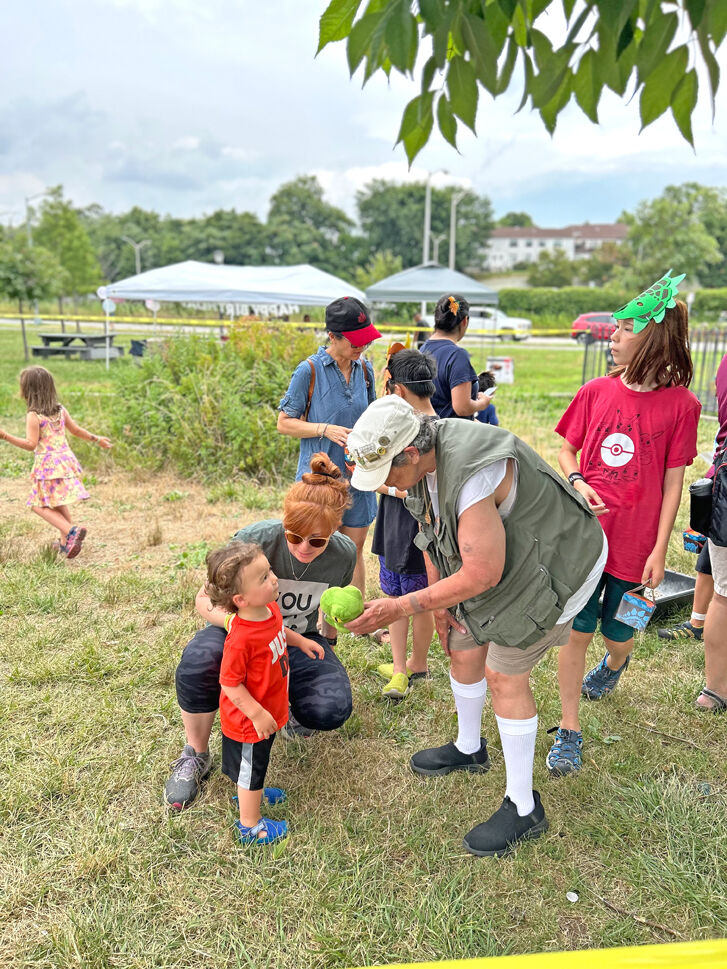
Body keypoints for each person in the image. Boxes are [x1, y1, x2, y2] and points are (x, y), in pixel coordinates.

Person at [345, 395, 606, 858]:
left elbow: (484, 573)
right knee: (461, 644)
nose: (383, 484)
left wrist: (404, 605)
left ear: (409, 453)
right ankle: (470, 748)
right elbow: (427, 528)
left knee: (504, 674)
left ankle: (525, 807)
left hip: (557, 560)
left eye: (386, 472)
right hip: (497, 556)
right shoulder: (423, 461)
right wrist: (440, 601)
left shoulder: (471, 471)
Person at [547, 271, 701, 775]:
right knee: (575, 632)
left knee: (623, 631)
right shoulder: (594, 391)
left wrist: (660, 552)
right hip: (584, 542)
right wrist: (576, 481)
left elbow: (674, 484)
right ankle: (569, 730)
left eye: (620, 331)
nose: (610, 338)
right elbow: (566, 447)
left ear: (651, 336)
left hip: (638, 549)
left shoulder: (683, 406)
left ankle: (617, 662)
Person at [164, 453, 356, 810]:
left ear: (335, 530)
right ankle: (196, 753)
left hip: (295, 639)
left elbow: (331, 604)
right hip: (238, 633)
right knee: (199, 660)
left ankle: (287, 708)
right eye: (294, 536)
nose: (302, 548)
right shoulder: (257, 541)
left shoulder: (345, 555)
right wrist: (235, 624)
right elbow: (204, 599)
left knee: (332, 707)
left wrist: (329, 642)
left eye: (317, 541)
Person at [277, 296, 381, 597]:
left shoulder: (365, 370)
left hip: (358, 478)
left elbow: (371, 415)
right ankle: (313, 618)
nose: (361, 347)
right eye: (354, 341)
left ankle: (353, 619)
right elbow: (284, 423)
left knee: (353, 549)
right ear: (332, 336)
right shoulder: (308, 371)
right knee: (315, 547)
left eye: (365, 341)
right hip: (320, 480)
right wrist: (324, 429)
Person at [207, 541, 291, 845]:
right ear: (240, 599)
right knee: (251, 768)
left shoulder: (268, 608)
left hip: (267, 708)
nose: (274, 579)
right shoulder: (240, 638)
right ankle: (249, 824)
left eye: (269, 571)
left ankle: (250, 796)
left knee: (257, 764)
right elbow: (229, 683)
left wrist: (301, 642)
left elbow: (278, 631)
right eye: (264, 578)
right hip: (248, 722)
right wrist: (256, 713)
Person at [370, 347, 436, 699]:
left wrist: (394, 489)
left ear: (396, 390)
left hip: (408, 523)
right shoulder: (442, 425)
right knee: (410, 595)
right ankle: (409, 665)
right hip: (411, 524)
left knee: (405, 595)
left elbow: (377, 477)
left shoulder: (403, 429)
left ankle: (408, 666)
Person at [0, 366, 112, 558]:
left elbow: (30, 444)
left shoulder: (34, 416)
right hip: (64, 462)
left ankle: (71, 531)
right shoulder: (60, 410)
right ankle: (64, 543)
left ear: (27, 390)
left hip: (47, 467)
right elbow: (76, 430)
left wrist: (5, 435)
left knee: (37, 505)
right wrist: (96, 439)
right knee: (58, 503)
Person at [420, 294, 493, 420]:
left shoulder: (422, 350)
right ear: (465, 321)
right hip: (452, 434)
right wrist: (482, 403)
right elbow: (462, 407)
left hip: (430, 431)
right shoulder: (457, 355)